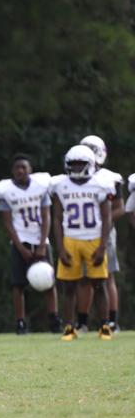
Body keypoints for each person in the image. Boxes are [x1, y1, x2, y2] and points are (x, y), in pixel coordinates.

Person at [0, 154, 59, 335]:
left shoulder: (40, 187)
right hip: (19, 240)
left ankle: (54, 319)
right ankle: (20, 322)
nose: (20, 170)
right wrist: (20, 247)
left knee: (49, 281)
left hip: (40, 239)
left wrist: (43, 244)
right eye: (17, 168)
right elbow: (7, 222)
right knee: (18, 284)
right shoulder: (5, 190)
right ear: (13, 171)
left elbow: (46, 217)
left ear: (30, 169)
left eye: (24, 167)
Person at [51, 145, 115, 341]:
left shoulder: (100, 185)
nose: (77, 168)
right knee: (69, 287)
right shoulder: (60, 185)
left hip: (93, 238)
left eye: (81, 164)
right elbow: (57, 218)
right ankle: (69, 327)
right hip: (71, 239)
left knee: (100, 284)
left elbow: (107, 218)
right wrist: (60, 247)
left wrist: (102, 246)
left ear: (90, 165)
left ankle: (104, 325)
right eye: (74, 164)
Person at [79, 136, 122, 332]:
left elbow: (120, 208)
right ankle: (83, 322)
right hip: (80, 234)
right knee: (84, 278)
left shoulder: (109, 177)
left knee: (107, 277)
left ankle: (112, 320)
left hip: (104, 234)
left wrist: (102, 222)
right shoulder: (76, 177)